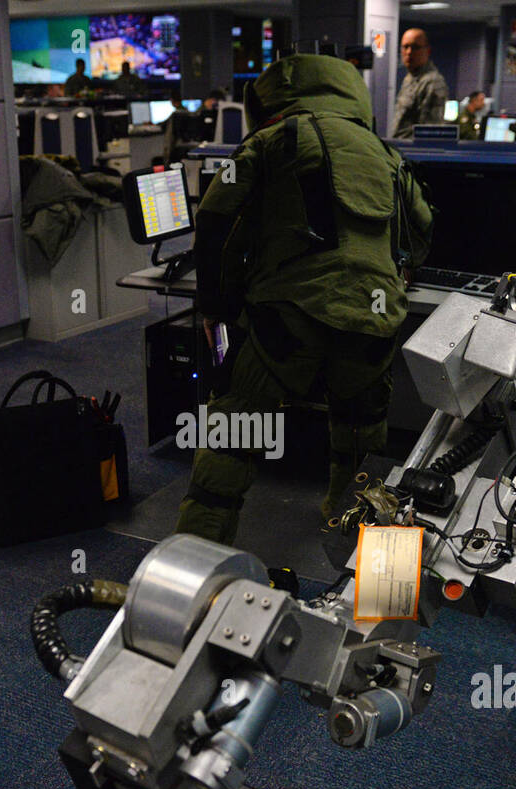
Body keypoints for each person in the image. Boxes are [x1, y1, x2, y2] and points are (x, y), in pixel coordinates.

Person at [174, 53, 435, 546]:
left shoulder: (272, 140)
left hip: (286, 318)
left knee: (234, 436)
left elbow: (216, 223)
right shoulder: (386, 153)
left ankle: (195, 558)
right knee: (360, 447)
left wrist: (219, 308)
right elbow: (422, 231)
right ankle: (359, 559)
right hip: (373, 319)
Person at [391, 29, 448, 139]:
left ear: (428, 51)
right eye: (405, 47)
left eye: (415, 47)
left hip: (411, 153)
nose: (409, 52)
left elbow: (428, 134)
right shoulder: (410, 78)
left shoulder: (432, 82)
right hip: (399, 148)